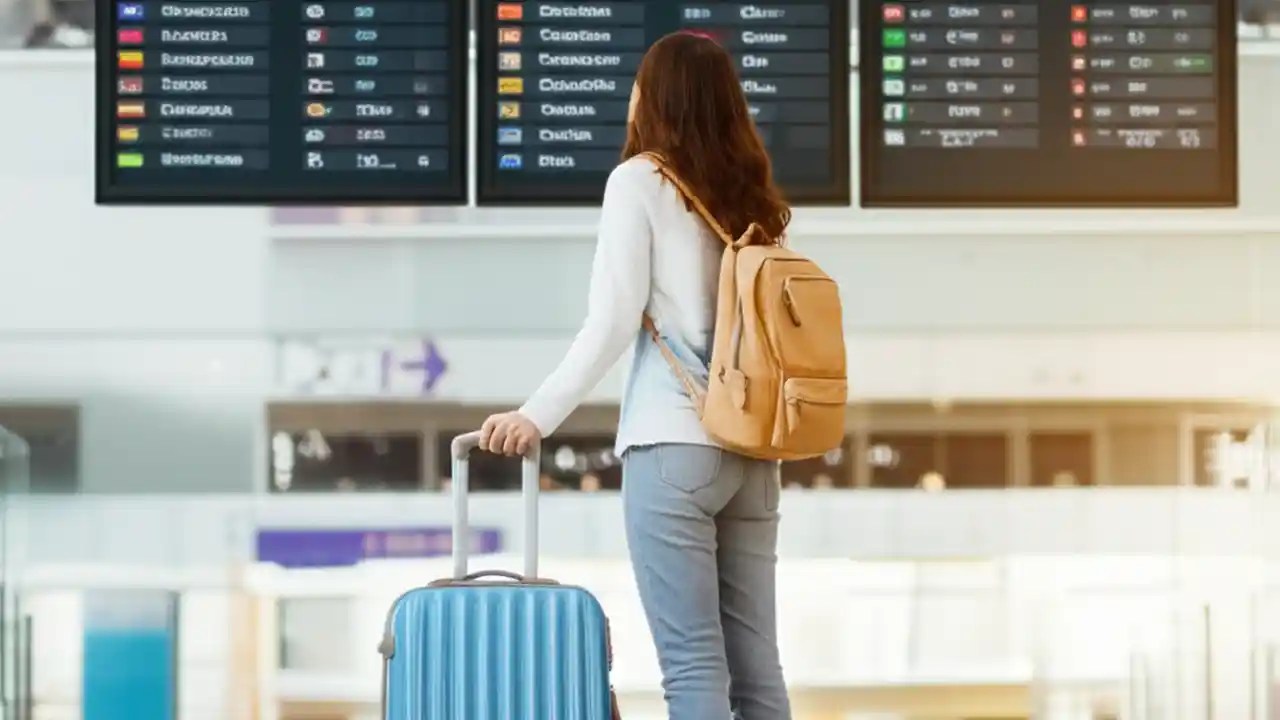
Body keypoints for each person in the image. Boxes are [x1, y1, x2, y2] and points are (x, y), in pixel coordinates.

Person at [479, 32, 793, 720]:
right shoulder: (753, 198)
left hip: (675, 444)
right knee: (757, 665)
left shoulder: (640, 181)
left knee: (693, 664)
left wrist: (536, 414)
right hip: (757, 449)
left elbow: (613, 319)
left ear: (654, 98)